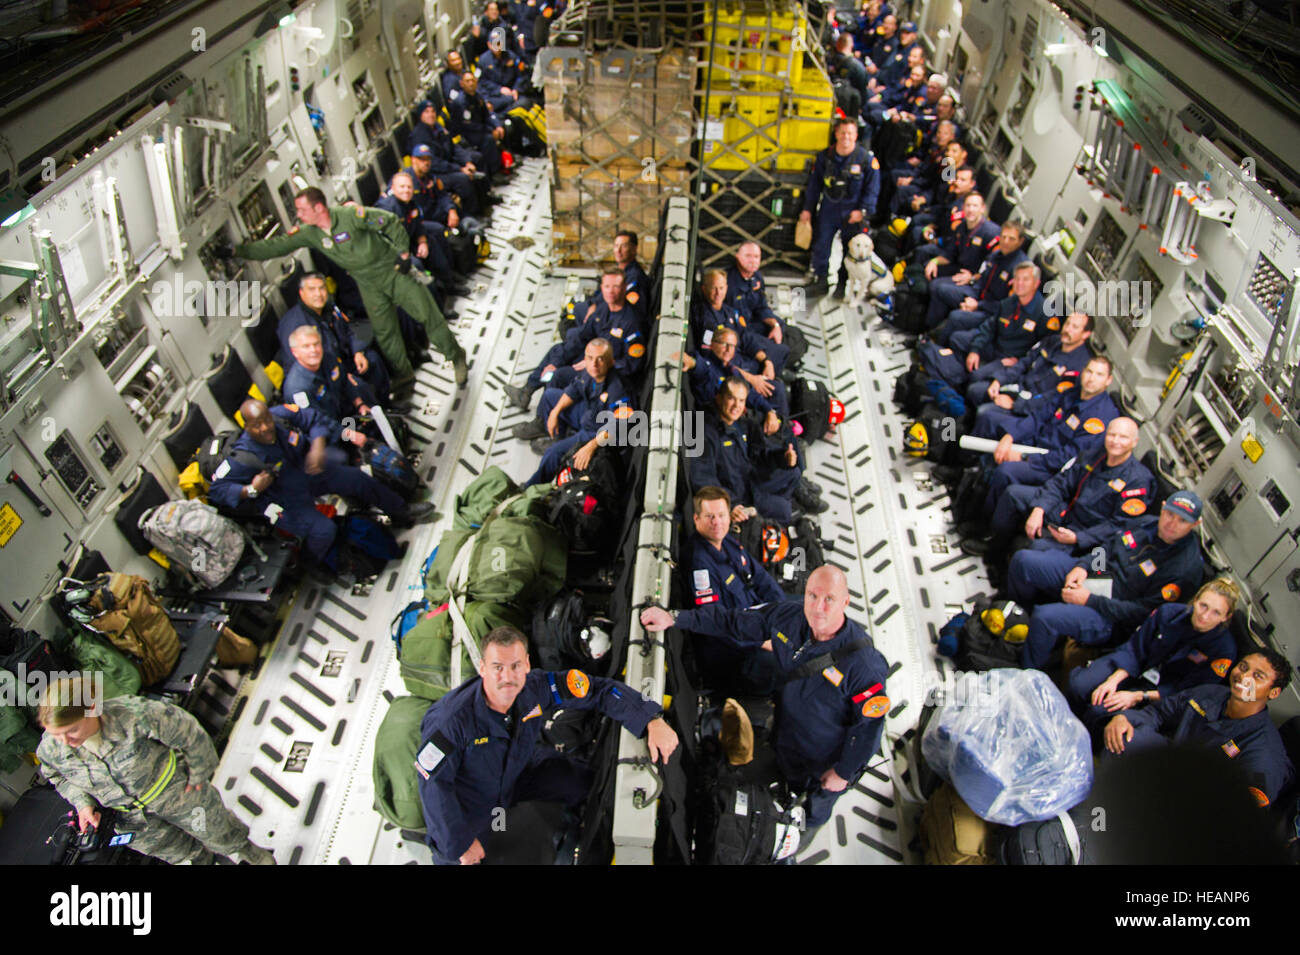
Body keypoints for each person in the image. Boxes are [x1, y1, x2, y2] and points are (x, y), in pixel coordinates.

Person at [640, 565, 891, 826]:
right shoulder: (788, 617)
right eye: (812, 596)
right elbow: (732, 621)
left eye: (829, 599)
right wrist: (676, 618)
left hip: (821, 758)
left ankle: (802, 831)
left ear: (846, 601)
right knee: (779, 778)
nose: (818, 607)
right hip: (785, 733)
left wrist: (843, 772)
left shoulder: (864, 665)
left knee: (812, 809)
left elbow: (869, 728)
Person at [417, 626, 677, 864]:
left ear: (527, 664)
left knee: (584, 782)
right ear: (482, 668)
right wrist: (459, 844)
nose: (507, 677)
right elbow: (433, 785)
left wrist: (649, 719)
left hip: (518, 772)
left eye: (515, 666)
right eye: (497, 667)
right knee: (459, 857)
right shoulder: (451, 722)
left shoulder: (536, 687)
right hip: (472, 803)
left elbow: (598, 690)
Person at [232, 187, 468, 391]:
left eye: (302, 210)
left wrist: (403, 253)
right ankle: (404, 375)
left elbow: (390, 221)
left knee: (427, 315)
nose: (298, 215)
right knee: (385, 332)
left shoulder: (350, 215)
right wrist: (240, 252)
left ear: (319, 208)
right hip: (366, 282)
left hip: (391, 270)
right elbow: (277, 246)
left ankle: (456, 356)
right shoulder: (310, 234)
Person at [36, 676, 275, 865]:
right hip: (134, 823)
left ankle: (252, 855)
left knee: (218, 832)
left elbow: (188, 732)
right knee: (184, 857)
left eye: (72, 731)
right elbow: (57, 776)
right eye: (57, 735)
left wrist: (200, 774)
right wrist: (83, 804)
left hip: (180, 797)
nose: (65, 741)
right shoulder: (50, 748)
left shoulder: (132, 714)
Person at [207, 400, 435, 572]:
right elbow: (216, 491)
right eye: (257, 425)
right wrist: (252, 489)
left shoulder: (280, 416)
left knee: (356, 478)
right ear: (246, 427)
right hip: (283, 500)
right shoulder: (241, 458)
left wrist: (316, 446)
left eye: (266, 419)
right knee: (324, 530)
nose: (266, 427)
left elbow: (313, 419)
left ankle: (402, 511)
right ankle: (311, 563)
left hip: (309, 471)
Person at [1009, 490, 1206, 670]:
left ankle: (1026, 672)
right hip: (1098, 573)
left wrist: (1089, 600)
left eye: (1182, 521)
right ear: (1163, 507)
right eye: (1170, 514)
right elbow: (1107, 548)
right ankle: (1018, 619)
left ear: (1195, 525)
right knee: (1023, 561)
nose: (1171, 524)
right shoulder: (1146, 523)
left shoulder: (1184, 569)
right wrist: (1083, 567)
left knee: (1045, 617)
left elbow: (1142, 614)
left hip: (1112, 615)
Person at [1103, 649, 1294, 808]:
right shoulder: (1212, 693)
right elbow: (1159, 713)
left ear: (1273, 692)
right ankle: (1100, 812)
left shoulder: (1263, 754)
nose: (1244, 676)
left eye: (1257, 676)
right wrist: (1124, 717)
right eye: (1243, 667)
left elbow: (1239, 816)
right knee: (1123, 737)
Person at [1068, 577, 1240, 733]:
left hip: (1164, 694)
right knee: (1079, 685)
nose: (1205, 615)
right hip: (1136, 666)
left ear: (1226, 617)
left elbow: (1189, 692)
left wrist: (1138, 696)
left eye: (1216, 612)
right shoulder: (1168, 613)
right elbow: (1136, 648)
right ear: (1195, 600)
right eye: (1203, 606)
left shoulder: (1224, 651)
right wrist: (1113, 680)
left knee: (1099, 710)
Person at [505, 269, 645, 409]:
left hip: (610, 374)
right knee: (558, 351)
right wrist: (555, 362)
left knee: (558, 376)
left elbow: (632, 364)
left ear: (624, 287)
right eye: (607, 286)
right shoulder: (603, 311)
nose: (610, 291)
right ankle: (527, 391)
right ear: (602, 288)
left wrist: (599, 363)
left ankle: (546, 421)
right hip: (595, 360)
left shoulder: (631, 322)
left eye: (616, 286)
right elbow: (581, 338)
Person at [515, 338, 634, 485]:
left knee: (552, 454)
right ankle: (557, 438)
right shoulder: (590, 373)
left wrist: (591, 445)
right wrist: (555, 412)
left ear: (610, 362)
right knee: (550, 396)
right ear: (585, 359)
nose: (594, 364)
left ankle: (529, 488)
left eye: (600, 359)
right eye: (590, 358)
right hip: (589, 416)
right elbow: (573, 390)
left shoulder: (617, 389)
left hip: (597, 433)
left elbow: (621, 424)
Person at [916, 261, 1045, 391]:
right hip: (995, 346)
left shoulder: (1043, 313)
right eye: (1017, 279)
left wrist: (1016, 362)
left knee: (975, 377)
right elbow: (990, 327)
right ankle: (948, 375)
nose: (1020, 283)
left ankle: (957, 383)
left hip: (1010, 360)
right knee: (956, 338)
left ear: (1036, 283)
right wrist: (975, 350)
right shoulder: (1010, 302)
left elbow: (1040, 350)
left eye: (1025, 280)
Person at [799, 117, 881, 298]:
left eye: (850, 133)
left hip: (853, 212)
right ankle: (821, 280)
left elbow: (872, 189)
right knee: (821, 245)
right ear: (836, 134)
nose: (846, 137)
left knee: (850, 250)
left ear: (856, 135)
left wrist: (863, 211)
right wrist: (807, 209)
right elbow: (814, 185)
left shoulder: (866, 160)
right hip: (829, 208)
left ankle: (842, 283)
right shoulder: (825, 157)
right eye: (842, 132)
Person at [278, 272, 391, 401]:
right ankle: (370, 412)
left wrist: (357, 352)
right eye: (312, 290)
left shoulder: (329, 308)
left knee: (372, 359)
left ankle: (385, 403)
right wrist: (341, 376)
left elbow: (348, 329)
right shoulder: (294, 325)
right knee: (358, 386)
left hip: (343, 360)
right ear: (301, 293)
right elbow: (304, 362)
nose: (318, 294)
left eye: (322, 288)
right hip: (324, 374)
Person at [924, 219, 1027, 333]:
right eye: (1003, 237)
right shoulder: (996, 255)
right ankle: (929, 332)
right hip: (977, 294)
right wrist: (972, 285)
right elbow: (983, 276)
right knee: (940, 289)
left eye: (1011, 239)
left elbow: (1009, 306)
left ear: (1020, 241)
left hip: (991, 310)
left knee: (956, 317)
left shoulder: (1021, 270)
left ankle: (936, 344)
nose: (1006, 241)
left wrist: (978, 305)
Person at [282, 325, 378, 445]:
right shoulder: (297, 389)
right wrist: (349, 435)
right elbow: (316, 421)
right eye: (306, 346)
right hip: (325, 433)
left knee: (362, 389)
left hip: (342, 414)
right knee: (341, 457)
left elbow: (345, 381)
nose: (313, 350)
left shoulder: (328, 358)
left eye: (316, 344)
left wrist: (360, 405)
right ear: (295, 352)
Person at [443, 71, 506, 177]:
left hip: (480, 128)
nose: (471, 83)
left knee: (502, 126)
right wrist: (490, 130)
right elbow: (469, 125)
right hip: (466, 133)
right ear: (462, 84)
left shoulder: (478, 96)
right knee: (488, 139)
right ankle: (494, 173)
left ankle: (504, 161)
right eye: (467, 81)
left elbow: (487, 114)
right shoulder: (460, 102)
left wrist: (497, 126)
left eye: (472, 80)